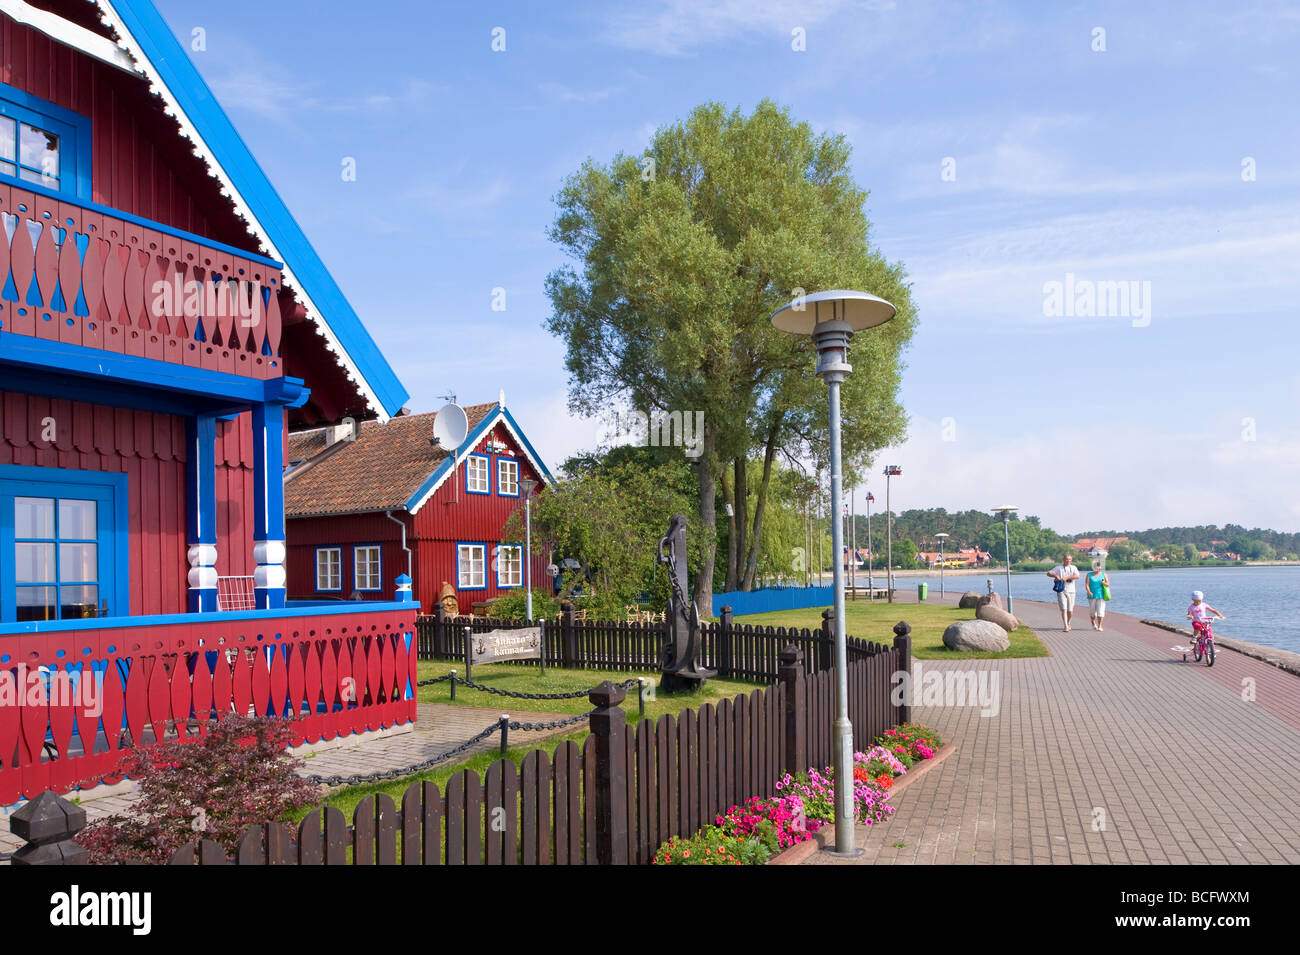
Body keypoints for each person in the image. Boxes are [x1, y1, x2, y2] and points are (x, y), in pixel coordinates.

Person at [1047, 553, 1081, 631]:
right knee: (1064, 609)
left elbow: (1077, 576)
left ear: (1071, 560)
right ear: (1063, 560)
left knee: (1070, 610)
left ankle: (1068, 623)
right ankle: (1065, 625)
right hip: (1061, 590)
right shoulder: (1059, 568)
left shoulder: (1073, 567)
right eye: (1066, 559)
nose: (1068, 561)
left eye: (1069, 559)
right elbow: (1048, 573)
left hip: (1071, 590)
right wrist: (1056, 576)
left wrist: (1067, 577)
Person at [1085, 559, 1110, 631]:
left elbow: (1108, 584)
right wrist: (1089, 591)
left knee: (1101, 611)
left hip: (1101, 595)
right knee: (1092, 612)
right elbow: (1087, 584)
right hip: (1092, 595)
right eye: (1097, 567)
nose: (1099, 568)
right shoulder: (1089, 574)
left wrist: (1104, 583)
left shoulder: (1104, 574)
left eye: (1100, 567)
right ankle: (1093, 623)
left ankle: (1100, 626)